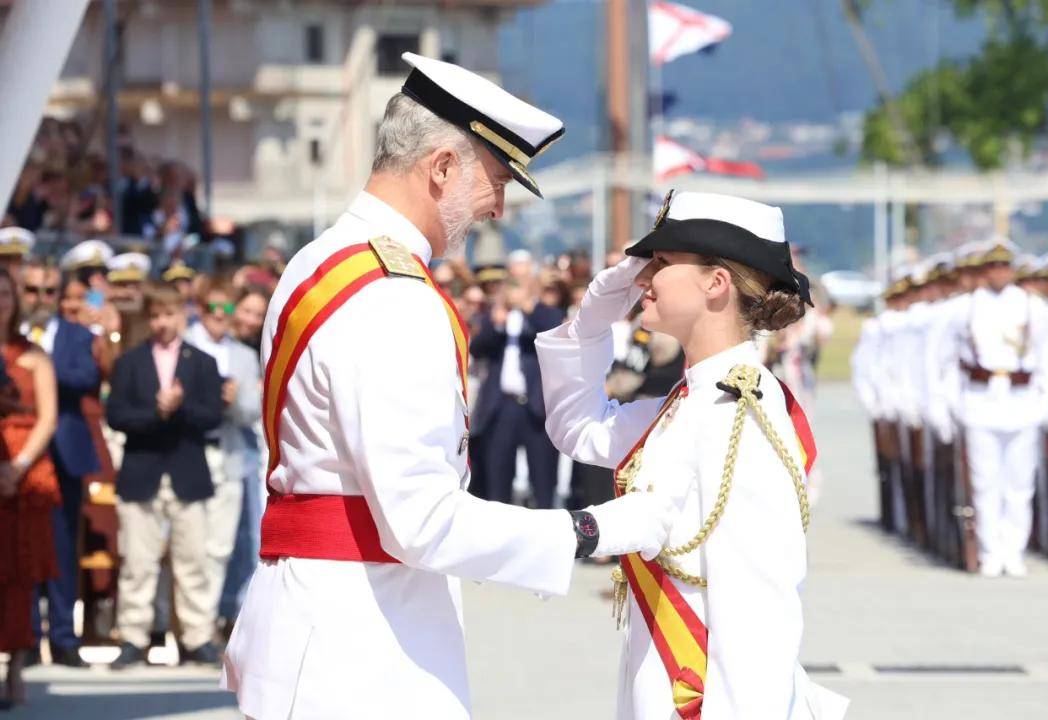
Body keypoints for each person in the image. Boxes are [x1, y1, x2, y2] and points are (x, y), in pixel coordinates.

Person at [223, 52, 675, 720]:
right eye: (497, 180)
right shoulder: (393, 296)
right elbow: (421, 518)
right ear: (440, 167)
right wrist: (589, 530)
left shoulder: (322, 259)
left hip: (329, 618)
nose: (497, 209)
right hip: (360, 643)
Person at [537, 191, 848, 719]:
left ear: (716, 283)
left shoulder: (739, 412)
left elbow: (759, 620)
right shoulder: (692, 400)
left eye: (660, 262)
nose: (642, 277)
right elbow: (578, 428)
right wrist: (591, 321)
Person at [106, 283, 224, 668]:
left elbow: (212, 415)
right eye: (155, 315)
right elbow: (116, 415)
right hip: (142, 470)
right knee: (137, 561)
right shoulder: (130, 361)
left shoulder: (202, 362)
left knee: (193, 560)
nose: (162, 323)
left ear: (182, 316)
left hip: (187, 471)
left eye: (169, 314)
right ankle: (133, 635)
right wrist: (156, 413)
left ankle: (197, 636)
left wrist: (179, 407)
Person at [936, 239, 1047, 578]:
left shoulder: (1031, 305)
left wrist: (1045, 401)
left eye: (1004, 266)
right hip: (980, 401)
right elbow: (946, 359)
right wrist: (950, 404)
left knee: (1020, 483)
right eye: (993, 267)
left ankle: (1014, 549)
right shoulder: (966, 307)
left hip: (1022, 401)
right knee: (985, 482)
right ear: (984, 271)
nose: (999, 272)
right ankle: (989, 550)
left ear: (1011, 270)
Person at [21, 263, 100, 668]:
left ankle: (65, 638)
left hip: (63, 453)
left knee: (62, 546)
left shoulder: (76, 335)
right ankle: (25, 638)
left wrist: (40, 367)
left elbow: (87, 377)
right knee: (19, 547)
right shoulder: (10, 336)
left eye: (49, 291)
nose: (40, 299)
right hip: (16, 453)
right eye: (32, 290)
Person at [184, 280, 261, 632]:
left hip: (228, 453)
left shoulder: (244, 356)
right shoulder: (184, 345)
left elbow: (251, 412)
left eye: (227, 308)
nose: (220, 314)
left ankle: (206, 625)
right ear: (200, 308)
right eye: (213, 307)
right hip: (188, 453)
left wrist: (234, 400)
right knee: (188, 545)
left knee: (220, 546)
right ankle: (182, 624)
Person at [0, 268, 59, 707]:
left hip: (24, 469)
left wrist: (17, 467)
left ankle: (17, 666)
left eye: (6, 294)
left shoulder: (34, 355)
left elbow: (48, 417)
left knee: (19, 573)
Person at [469, 277, 565, 507]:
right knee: (497, 480)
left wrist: (528, 308)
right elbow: (477, 348)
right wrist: (496, 324)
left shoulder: (545, 313)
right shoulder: (497, 315)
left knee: (543, 480)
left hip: (535, 407)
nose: (513, 293)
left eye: (518, 287)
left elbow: (554, 329)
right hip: (502, 406)